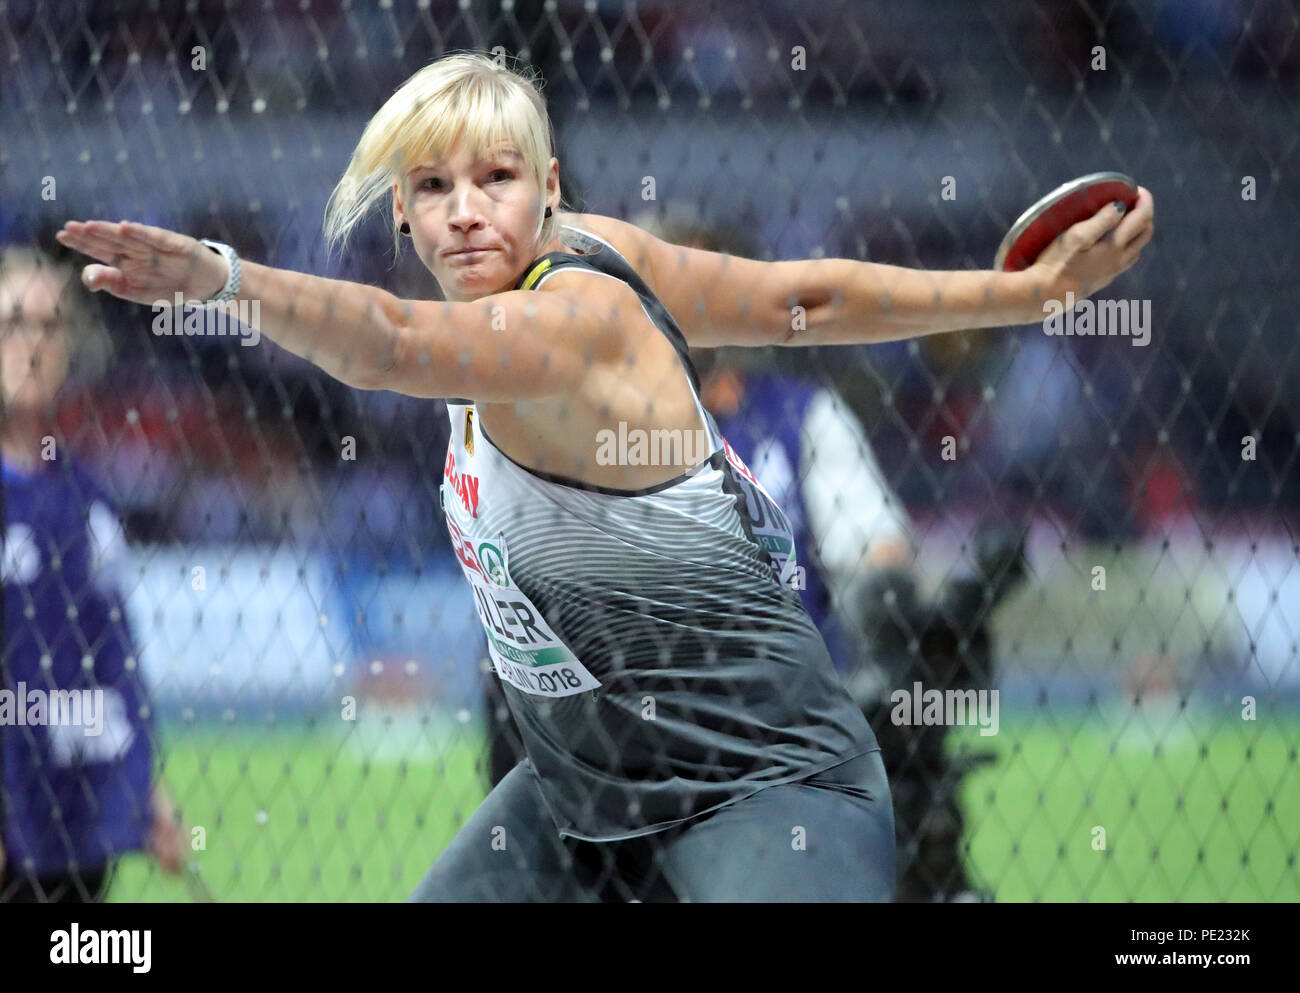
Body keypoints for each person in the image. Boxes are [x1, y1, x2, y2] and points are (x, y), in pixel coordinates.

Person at [54, 51, 1154, 901]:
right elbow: (791, 301)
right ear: (400, 209)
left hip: (756, 778)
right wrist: (1014, 298)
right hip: (584, 795)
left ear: (550, 189)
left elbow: (387, 341)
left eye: (497, 177)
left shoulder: (579, 308)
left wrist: (227, 277)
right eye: (432, 186)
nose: (467, 209)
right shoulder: (592, 262)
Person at [1, 246, 185, 903]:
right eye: (14, 324)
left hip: (76, 834)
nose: (32, 346)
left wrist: (147, 790)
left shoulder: (87, 500)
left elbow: (115, 659)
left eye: (51, 327)